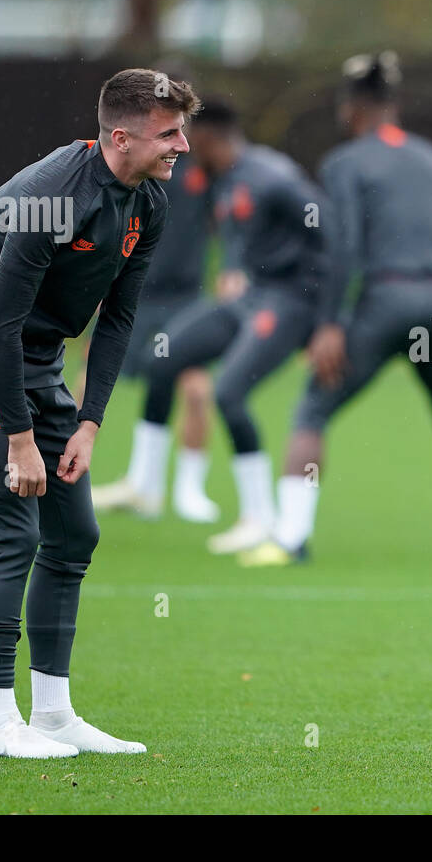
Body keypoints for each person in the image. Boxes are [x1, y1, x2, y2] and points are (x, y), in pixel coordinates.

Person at [0, 68, 199, 758]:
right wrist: (21, 440)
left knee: (73, 535)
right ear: (118, 136)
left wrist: (88, 420)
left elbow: (119, 316)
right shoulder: (49, 195)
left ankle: (52, 714)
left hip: (36, 360)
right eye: (168, 133)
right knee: (15, 537)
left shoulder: (150, 202)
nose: (183, 145)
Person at [241, 51, 432, 566]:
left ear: (351, 110)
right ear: (395, 106)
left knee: (313, 411)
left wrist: (330, 324)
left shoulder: (344, 162)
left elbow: (343, 248)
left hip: (386, 300)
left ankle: (290, 538)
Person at [108, 98, 331, 554]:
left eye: (185, 137)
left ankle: (261, 517)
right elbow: (239, 238)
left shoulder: (272, 175)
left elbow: (332, 236)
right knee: (162, 358)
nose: (182, 147)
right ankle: (146, 485)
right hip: (248, 297)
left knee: (228, 393)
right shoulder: (222, 180)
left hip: (287, 302)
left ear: (208, 138)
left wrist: (322, 320)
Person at [89, 140, 221, 523]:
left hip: (187, 301)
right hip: (132, 291)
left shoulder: (205, 169)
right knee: (84, 384)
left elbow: (230, 218)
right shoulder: (132, 165)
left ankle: (188, 491)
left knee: (196, 390)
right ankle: (62, 472)